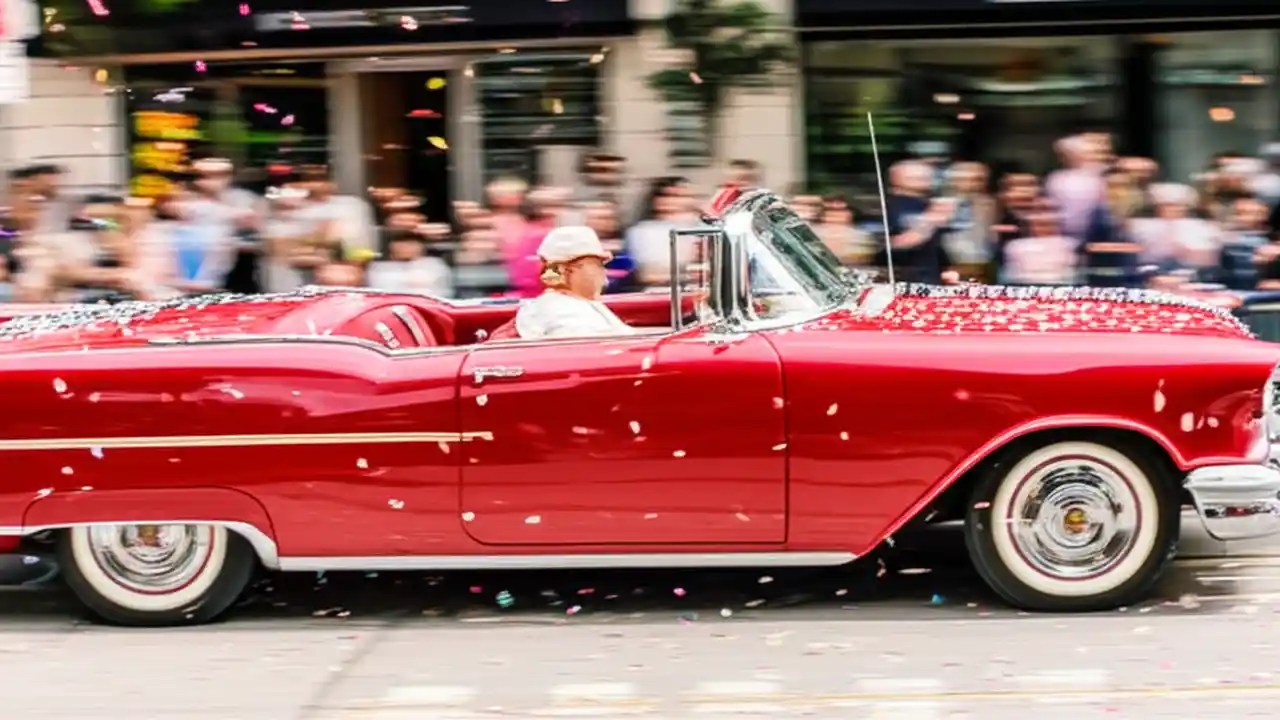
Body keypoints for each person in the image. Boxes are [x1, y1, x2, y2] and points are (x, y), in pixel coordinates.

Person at [514, 226, 634, 340]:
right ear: (567, 270)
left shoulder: (580, 303)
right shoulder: (563, 312)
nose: (603, 272)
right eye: (597, 265)